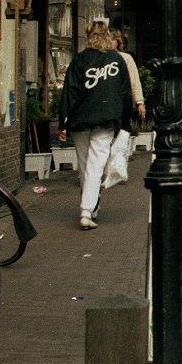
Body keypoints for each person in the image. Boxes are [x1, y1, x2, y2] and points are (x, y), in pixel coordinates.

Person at [60, 19, 133, 229]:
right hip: (106, 119)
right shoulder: (116, 61)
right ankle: (87, 210)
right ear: (109, 37)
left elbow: (70, 91)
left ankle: (89, 207)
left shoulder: (80, 60)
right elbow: (124, 92)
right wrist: (125, 124)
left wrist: (64, 121)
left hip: (81, 119)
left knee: (85, 166)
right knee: (95, 165)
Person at [102, 27, 148, 192]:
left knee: (120, 135)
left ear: (118, 42)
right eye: (107, 39)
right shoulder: (102, 58)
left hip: (123, 102)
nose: (109, 42)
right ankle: (107, 169)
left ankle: (116, 167)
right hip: (106, 102)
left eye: (112, 39)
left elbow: (134, 81)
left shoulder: (126, 58)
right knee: (105, 135)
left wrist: (139, 101)